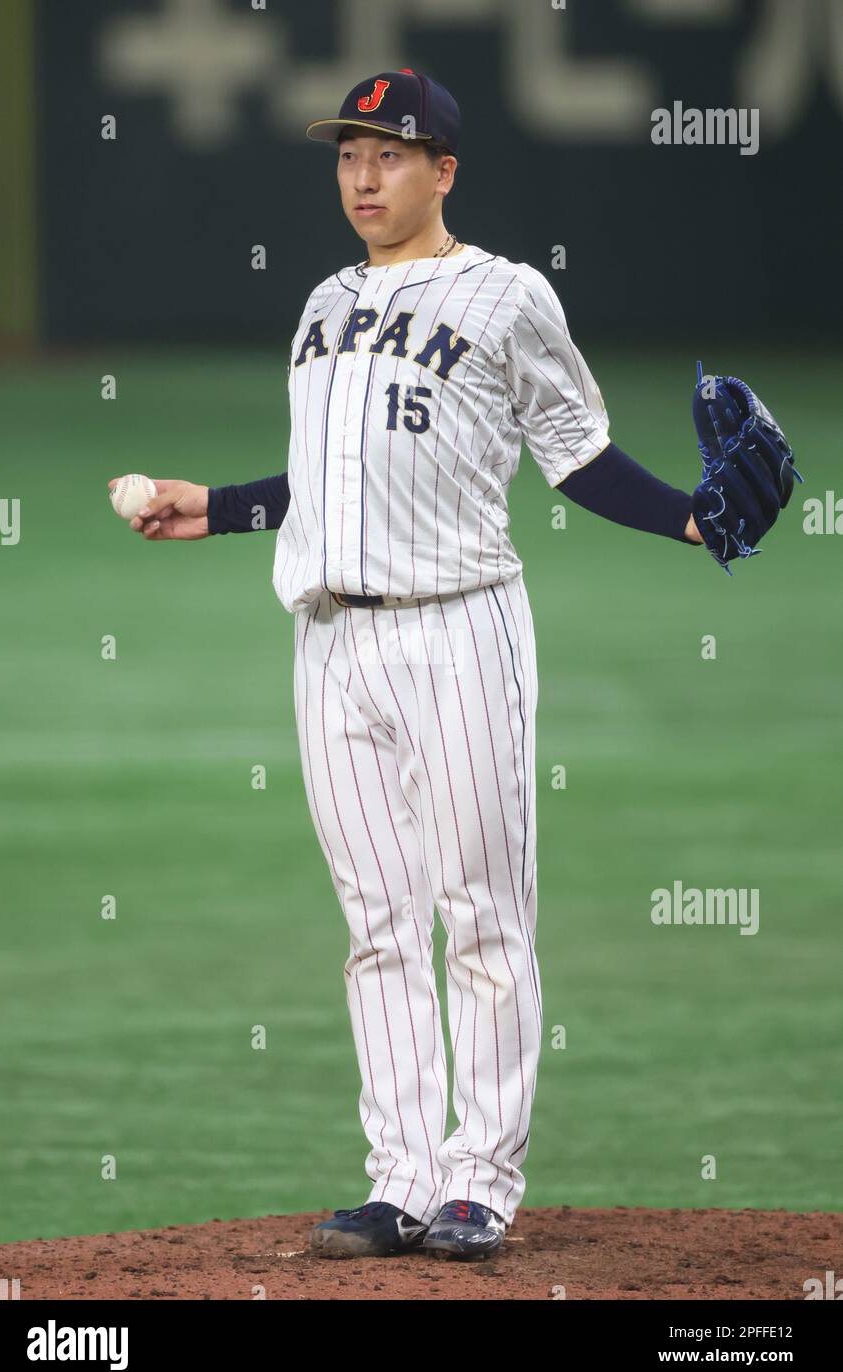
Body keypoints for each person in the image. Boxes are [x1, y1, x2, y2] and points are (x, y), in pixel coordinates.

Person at [112, 70, 704, 1263]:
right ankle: (401, 1176)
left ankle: (479, 1180)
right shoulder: (323, 303)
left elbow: (575, 456)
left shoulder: (504, 294)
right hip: (330, 641)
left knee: (479, 909)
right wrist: (212, 508)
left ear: (443, 169)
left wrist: (690, 518)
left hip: (459, 630)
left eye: (388, 154)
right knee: (376, 922)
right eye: (346, 157)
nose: (362, 177)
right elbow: (322, 485)